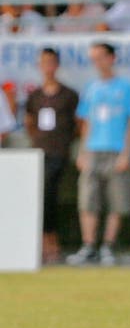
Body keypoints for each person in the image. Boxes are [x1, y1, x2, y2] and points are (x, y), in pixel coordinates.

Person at [66, 43, 130, 267]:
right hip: (93, 149)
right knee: (88, 199)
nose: (97, 63)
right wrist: (82, 151)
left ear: (111, 58)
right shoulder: (91, 87)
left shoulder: (126, 87)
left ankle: (108, 245)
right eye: (93, 58)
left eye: (100, 57)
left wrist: (126, 153)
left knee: (117, 199)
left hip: (116, 149)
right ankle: (88, 246)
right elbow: (86, 122)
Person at [24, 48, 79, 264]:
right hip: (39, 152)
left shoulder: (68, 95)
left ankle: (51, 242)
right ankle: (43, 243)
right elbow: (29, 122)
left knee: (50, 194)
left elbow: (78, 125)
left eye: (50, 62)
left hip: (58, 152)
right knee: (39, 197)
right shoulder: (35, 96)